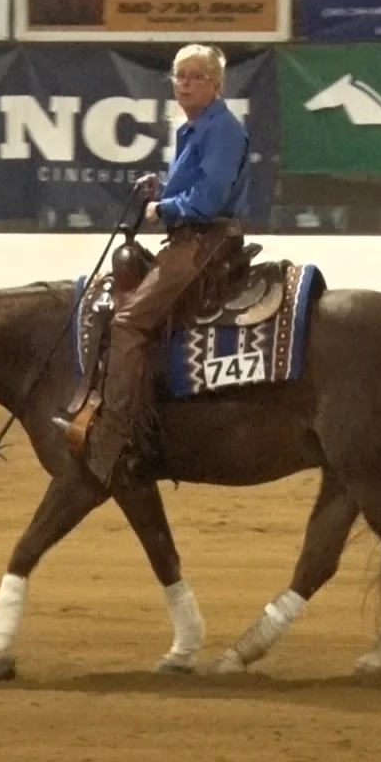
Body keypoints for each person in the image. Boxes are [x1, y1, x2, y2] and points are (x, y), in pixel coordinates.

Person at [82, 43, 251, 486]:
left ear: (216, 85)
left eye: (197, 76)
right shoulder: (192, 129)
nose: (187, 83)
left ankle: (112, 440)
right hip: (191, 237)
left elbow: (210, 198)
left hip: (207, 240)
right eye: (180, 76)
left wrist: (164, 209)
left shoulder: (222, 130)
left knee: (129, 323)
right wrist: (162, 183)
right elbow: (193, 181)